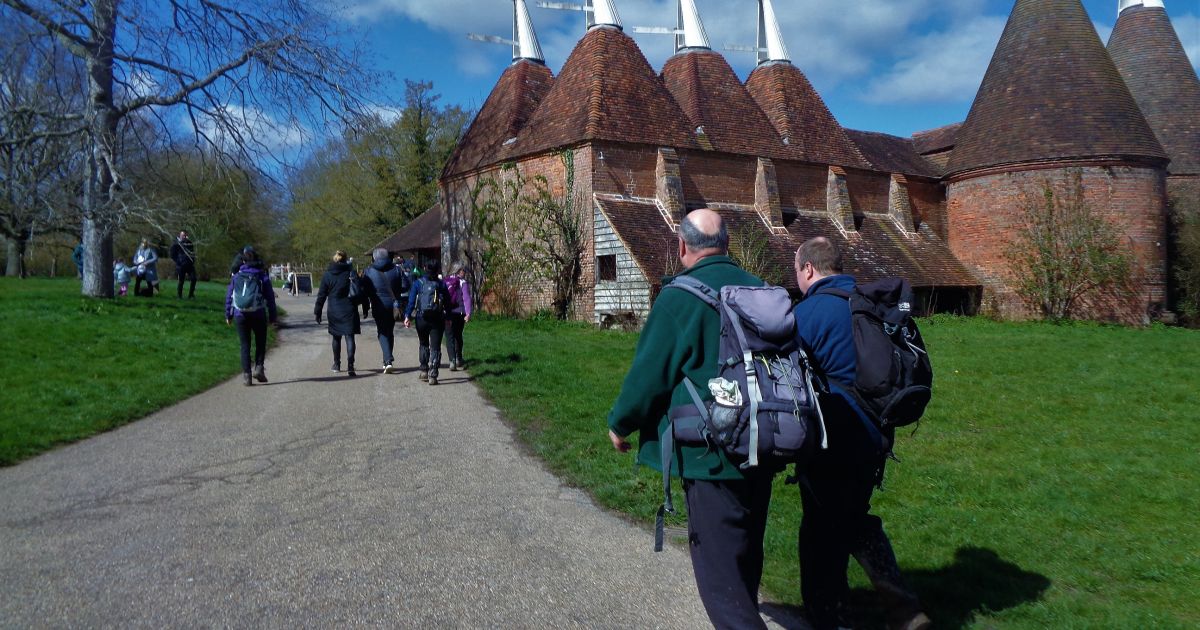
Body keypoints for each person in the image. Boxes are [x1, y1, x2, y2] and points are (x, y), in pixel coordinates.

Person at [607, 209, 773, 629]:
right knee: (745, 556)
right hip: (765, 439)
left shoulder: (679, 296)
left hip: (711, 452)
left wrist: (620, 422)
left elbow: (650, 373)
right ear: (727, 245)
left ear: (682, 247)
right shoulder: (759, 288)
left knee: (720, 582)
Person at [791, 237, 930, 630]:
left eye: (797, 270)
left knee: (820, 528)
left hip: (833, 438)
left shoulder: (810, 311)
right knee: (853, 519)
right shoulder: (871, 303)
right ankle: (904, 609)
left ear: (809, 270)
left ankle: (831, 616)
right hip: (878, 433)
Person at [225, 246, 277, 386]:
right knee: (260, 342)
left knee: (245, 344)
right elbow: (270, 298)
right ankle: (259, 368)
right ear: (256, 258)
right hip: (258, 313)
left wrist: (228, 315)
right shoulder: (261, 276)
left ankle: (246, 375)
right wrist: (273, 317)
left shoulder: (236, 276)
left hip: (240, 314)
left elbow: (229, 296)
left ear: (243, 260)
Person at [315, 250, 364, 376]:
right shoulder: (351, 272)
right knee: (349, 337)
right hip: (349, 308)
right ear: (346, 259)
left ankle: (337, 364)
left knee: (336, 337)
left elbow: (322, 295)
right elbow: (360, 291)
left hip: (334, 309)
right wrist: (365, 307)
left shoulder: (327, 275)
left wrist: (318, 311)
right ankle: (350, 366)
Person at [404, 261, 449, 386]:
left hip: (421, 318)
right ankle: (433, 375)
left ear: (424, 268)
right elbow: (448, 303)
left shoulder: (418, 283)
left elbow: (411, 301)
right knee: (435, 347)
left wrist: (407, 316)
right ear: (437, 269)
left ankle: (424, 369)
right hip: (437, 319)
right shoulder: (441, 284)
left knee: (423, 343)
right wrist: (448, 317)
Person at [363, 248, 405, 373]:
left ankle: (387, 360)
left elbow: (366, 290)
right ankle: (387, 360)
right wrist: (396, 291)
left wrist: (366, 307)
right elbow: (406, 285)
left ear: (375, 258)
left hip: (378, 304)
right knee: (389, 331)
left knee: (382, 331)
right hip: (393, 305)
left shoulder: (369, 271)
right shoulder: (397, 269)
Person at [443, 264, 473, 371]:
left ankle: (452, 360)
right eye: (463, 270)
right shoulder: (463, 283)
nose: (464, 272)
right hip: (459, 313)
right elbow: (466, 298)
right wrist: (468, 313)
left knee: (449, 336)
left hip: (448, 312)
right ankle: (459, 358)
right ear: (459, 271)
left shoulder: (445, 281)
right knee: (458, 335)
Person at [169, 230, 197, 299]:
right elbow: (172, 255)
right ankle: (179, 295)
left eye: (185, 235)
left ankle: (191, 295)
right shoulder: (176, 244)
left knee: (194, 278)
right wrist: (178, 262)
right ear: (180, 235)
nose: (184, 237)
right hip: (181, 265)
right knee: (181, 281)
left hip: (189, 265)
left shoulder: (189, 243)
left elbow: (192, 253)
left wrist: (192, 261)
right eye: (183, 235)